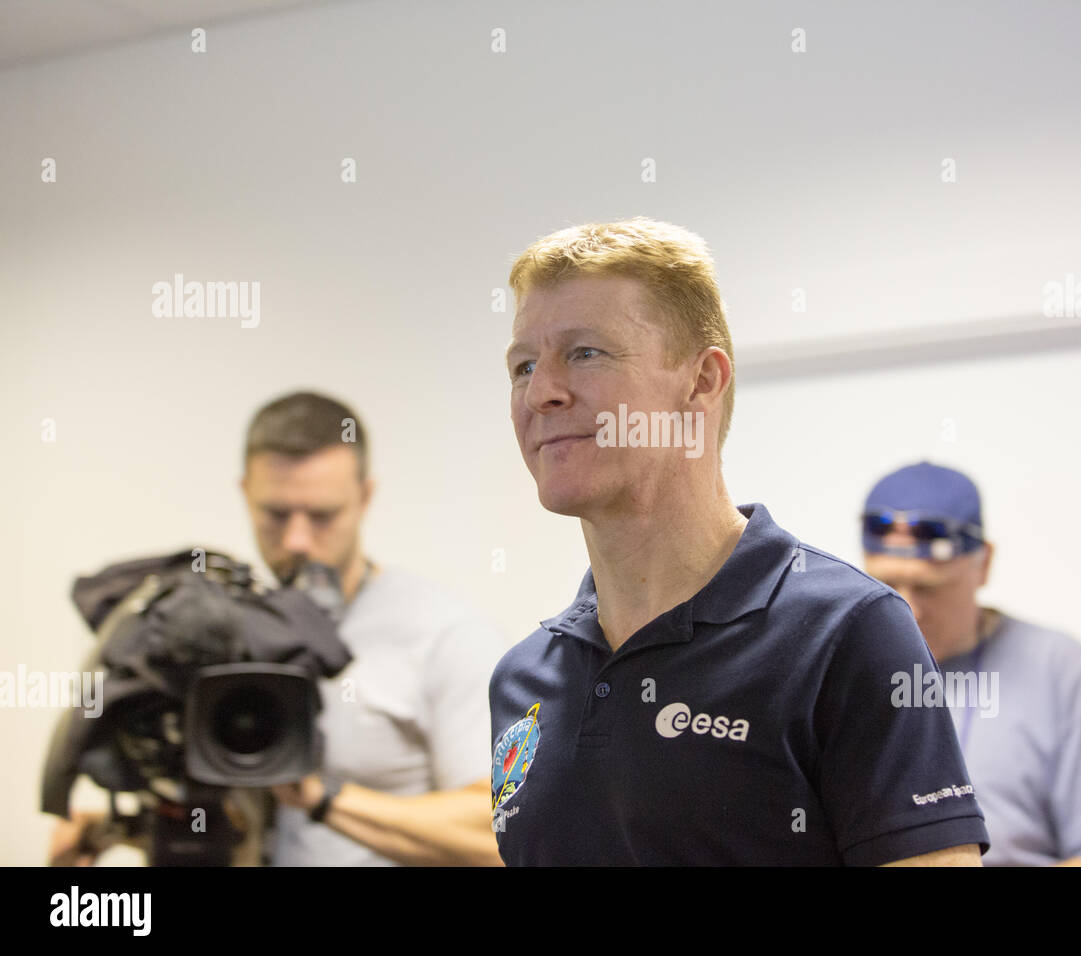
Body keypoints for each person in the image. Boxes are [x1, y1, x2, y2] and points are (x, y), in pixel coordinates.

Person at [489, 218, 989, 865]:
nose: (542, 392)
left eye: (586, 353)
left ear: (701, 381)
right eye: (523, 365)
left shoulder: (846, 632)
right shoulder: (524, 679)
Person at [50, 391, 504, 866]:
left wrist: (323, 799)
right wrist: (115, 830)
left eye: (323, 515)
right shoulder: (235, 628)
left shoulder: (444, 634)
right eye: (276, 514)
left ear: (365, 497)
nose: (297, 541)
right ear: (245, 492)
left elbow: (498, 833)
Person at [861, 460, 1081, 866]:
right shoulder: (846, 667)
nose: (908, 609)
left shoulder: (1056, 667)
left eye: (929, 588)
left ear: (984, 563)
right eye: (887, 586)